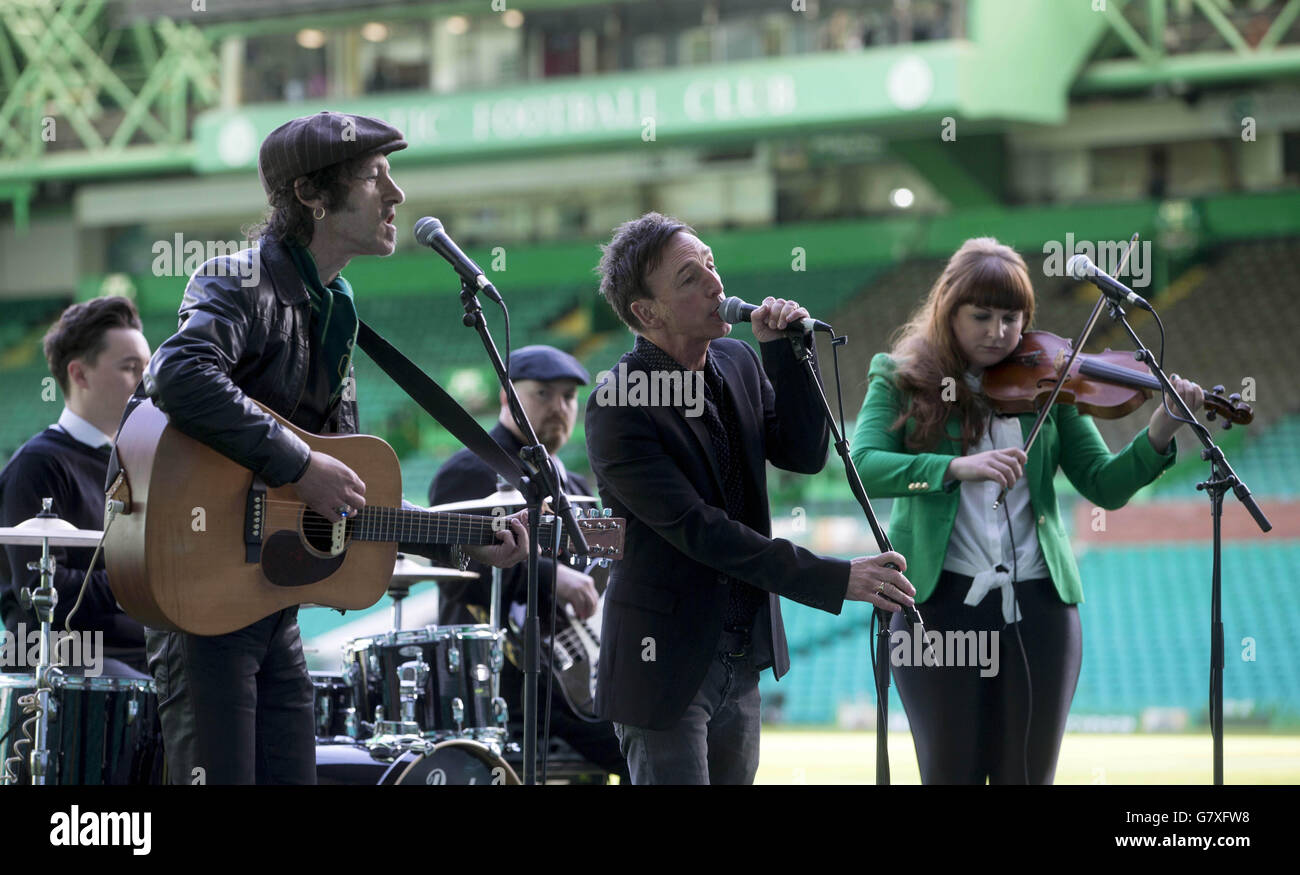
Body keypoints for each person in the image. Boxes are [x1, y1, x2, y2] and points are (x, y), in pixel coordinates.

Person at [137, 111, 528, 784]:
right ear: (313, 196)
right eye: (375, 177)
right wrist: (298, 462)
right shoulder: (236, 278)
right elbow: (178, 373)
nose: (397, 195)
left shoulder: (335, 307)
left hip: (270, 606)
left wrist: (460, 539)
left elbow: (349, 491)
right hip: (202, 600)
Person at [849, 237, 1204, 784]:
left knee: (1027, 779)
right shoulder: (900, 377)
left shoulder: (1050, 383)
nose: (998, 332)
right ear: (949, 312)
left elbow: (1104, 486)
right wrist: (954, 469)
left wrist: (1159, 433)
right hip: (935, 612)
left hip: (1039, 609)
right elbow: (865, 464)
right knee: (950, 774)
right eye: (982, 316)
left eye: (1012, 318)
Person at [586, 212, 915, 784]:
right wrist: (837, 577)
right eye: (690, 278)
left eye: (711, 264)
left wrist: (785, 355)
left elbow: (803, 453)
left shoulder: (736, 360)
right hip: (663, 663)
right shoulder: (618, 403)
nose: (716, 283)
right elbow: (700, 530)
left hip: (740, 655)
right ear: (647, 312)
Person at [429, 344, 628, 781]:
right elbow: (459, 575)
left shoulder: (575, 483)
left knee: (657, 723)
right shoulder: (468, 470)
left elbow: (609, 567)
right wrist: (550, 576)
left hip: (572, 670)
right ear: (506, 396)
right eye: (543, 394)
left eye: (569, 397)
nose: (560, 407)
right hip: (503, 678)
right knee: (640, 742)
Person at [0, 296, 151, 678]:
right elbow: (41, 595)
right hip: (71, 659)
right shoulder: (37, 466)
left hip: (146, 654)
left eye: (149, 368)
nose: (145, 381)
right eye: (130, 368)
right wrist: (146, 577)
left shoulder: (145, 461)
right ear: (80, 375)